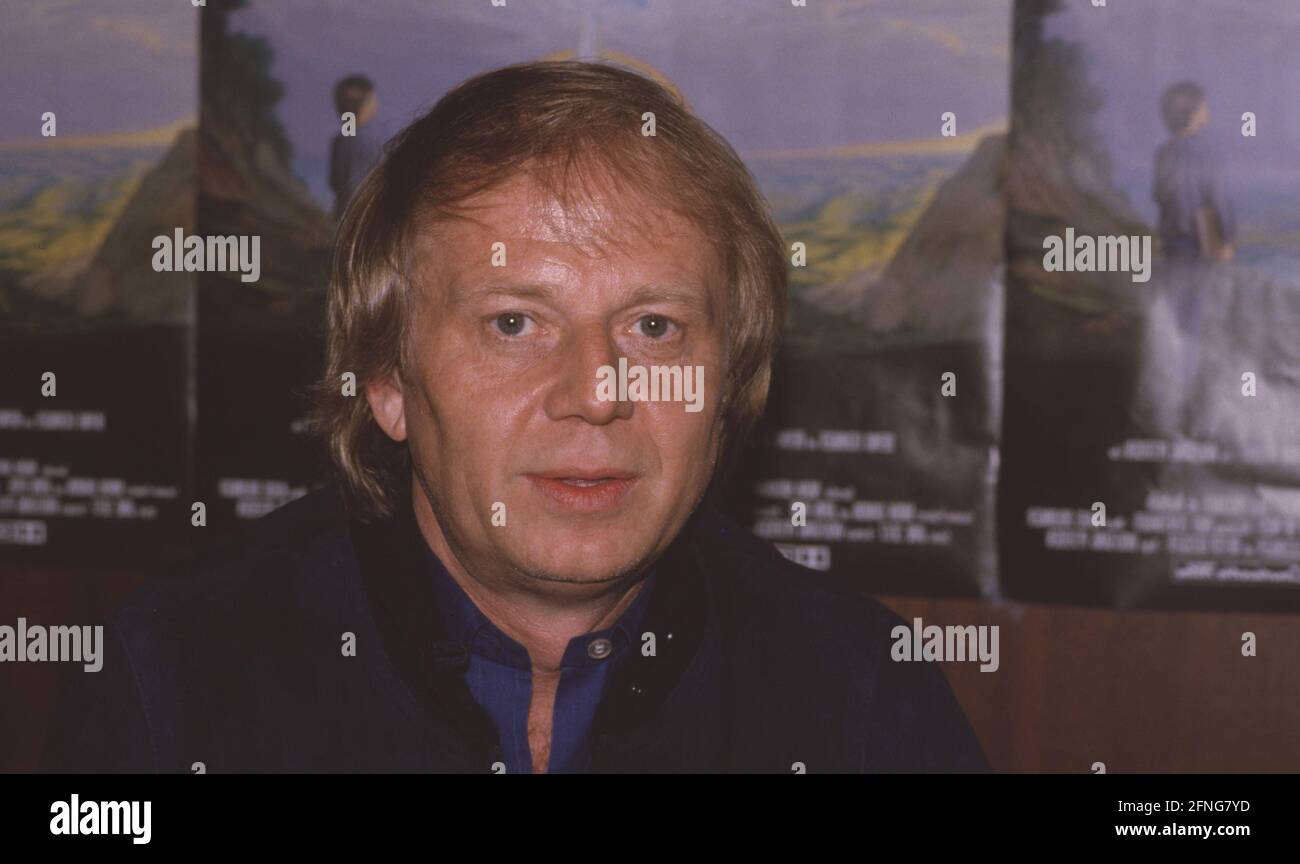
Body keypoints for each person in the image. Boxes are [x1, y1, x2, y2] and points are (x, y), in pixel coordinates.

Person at [42, 60, 987, 773]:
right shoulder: (173, 686)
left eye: (654, 326)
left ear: (728, 382)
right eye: (514, 323)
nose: (598, 391)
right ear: (388, 380)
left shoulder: (865, 700)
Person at [1152, 81, 1237, 428]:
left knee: (1173, 328)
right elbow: (1219, 201)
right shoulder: (1207, 154)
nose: (1208, 111)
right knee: (1195, 329)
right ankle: (1188, 411)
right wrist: (1227, 240)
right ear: (1193, 114)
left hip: (1170, 248)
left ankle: (1167, 405)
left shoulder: (1163, 153)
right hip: (1199, 250)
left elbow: (1160, 197)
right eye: (1203, 106)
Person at [329, 74, 384, 219]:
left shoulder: (342, 139)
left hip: (344, 214)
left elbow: (334, 181)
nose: (376, 102)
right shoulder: (366, 139)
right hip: (363, 217)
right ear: (365, 103)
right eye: (372, 98)